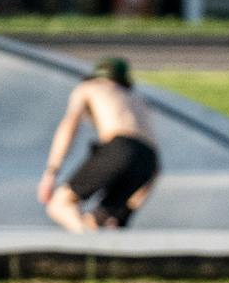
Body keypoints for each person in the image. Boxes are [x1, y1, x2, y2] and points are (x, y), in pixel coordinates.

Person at [39, 58, 160, 233]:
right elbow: (154, 168)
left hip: (120, 147)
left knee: (59, 204)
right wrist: (125, 213)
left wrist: (51, 171)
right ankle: (98, 238)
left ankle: (85, 246)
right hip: (149, 159)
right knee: (99, 219)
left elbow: (70, 125)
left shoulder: (89, 87)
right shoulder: (137, 99)